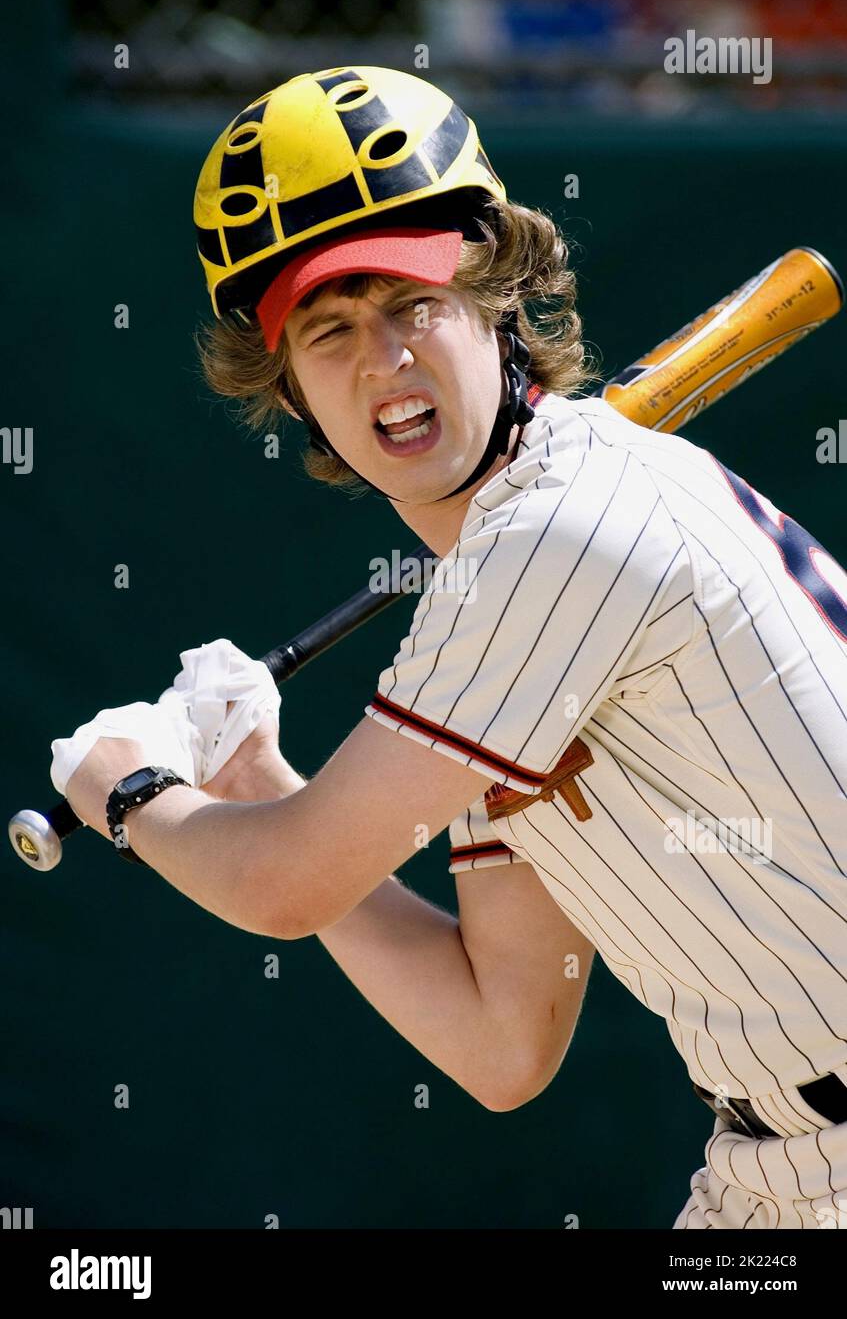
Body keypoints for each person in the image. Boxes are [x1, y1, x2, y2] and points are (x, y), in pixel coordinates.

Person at [57, 66, 847, 1229]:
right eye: (328, 329)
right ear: (289, 391)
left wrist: (124, 788)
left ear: (496, 295)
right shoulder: (488, 627)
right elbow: (500, 1038)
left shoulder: (556, 536)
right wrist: (257, 783)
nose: (383, 359)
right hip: (774, 1167)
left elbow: (281, 882)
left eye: (412, 302)